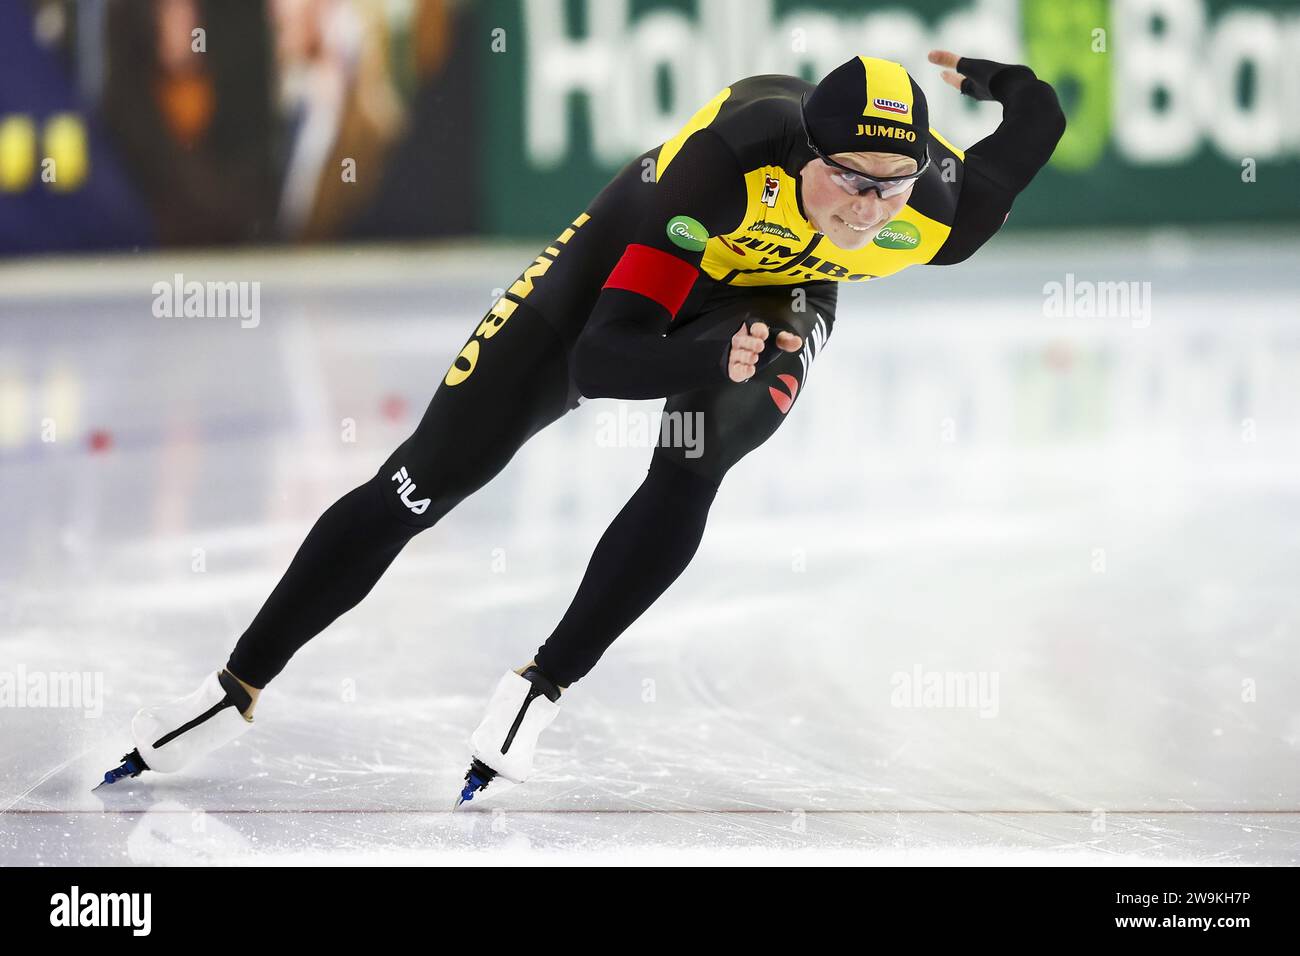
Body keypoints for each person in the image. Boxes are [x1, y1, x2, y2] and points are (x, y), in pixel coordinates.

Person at [98, 51, 1066, 804]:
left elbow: (1039, 116)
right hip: (631, 269)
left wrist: (991, 78)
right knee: (421, 480)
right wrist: (698, 353)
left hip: (773, 296)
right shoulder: (721, 169)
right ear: (806, 155)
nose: (867, 210)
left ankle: (541, 683)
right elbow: (599, 360)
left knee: (694, 463)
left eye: (888, 189)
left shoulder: (933, 213)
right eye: (850, 182)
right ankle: (237, 682)